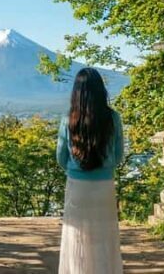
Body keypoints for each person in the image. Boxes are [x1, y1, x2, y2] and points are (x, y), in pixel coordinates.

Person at [56, 67, 124, 274]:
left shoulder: (69, 119)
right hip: (104, 185)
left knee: (76, 236)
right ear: (100, 90)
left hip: (78, 185)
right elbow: (118, 155)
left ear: (76, 91)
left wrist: (74, 168)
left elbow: (61, 157)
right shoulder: (113, 118)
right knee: (104, 236)